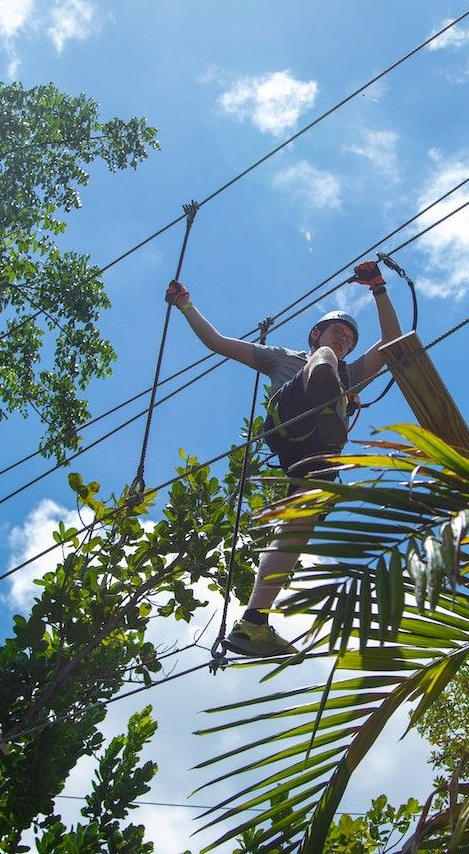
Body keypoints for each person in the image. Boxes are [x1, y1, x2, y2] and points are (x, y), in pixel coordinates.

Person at [165, 260, 402, 657]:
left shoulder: (354, 372)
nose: (343, 339)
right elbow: (218, 342)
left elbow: (394, 340)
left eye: (348, 338)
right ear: (316, 332)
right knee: (326, 360)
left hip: (315, 457)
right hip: (292, 423)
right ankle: (322, 393)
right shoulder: (282, 357)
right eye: (336, 331)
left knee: (298, 529)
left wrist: (379, 287)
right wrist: (186, 304)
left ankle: (254, 622)